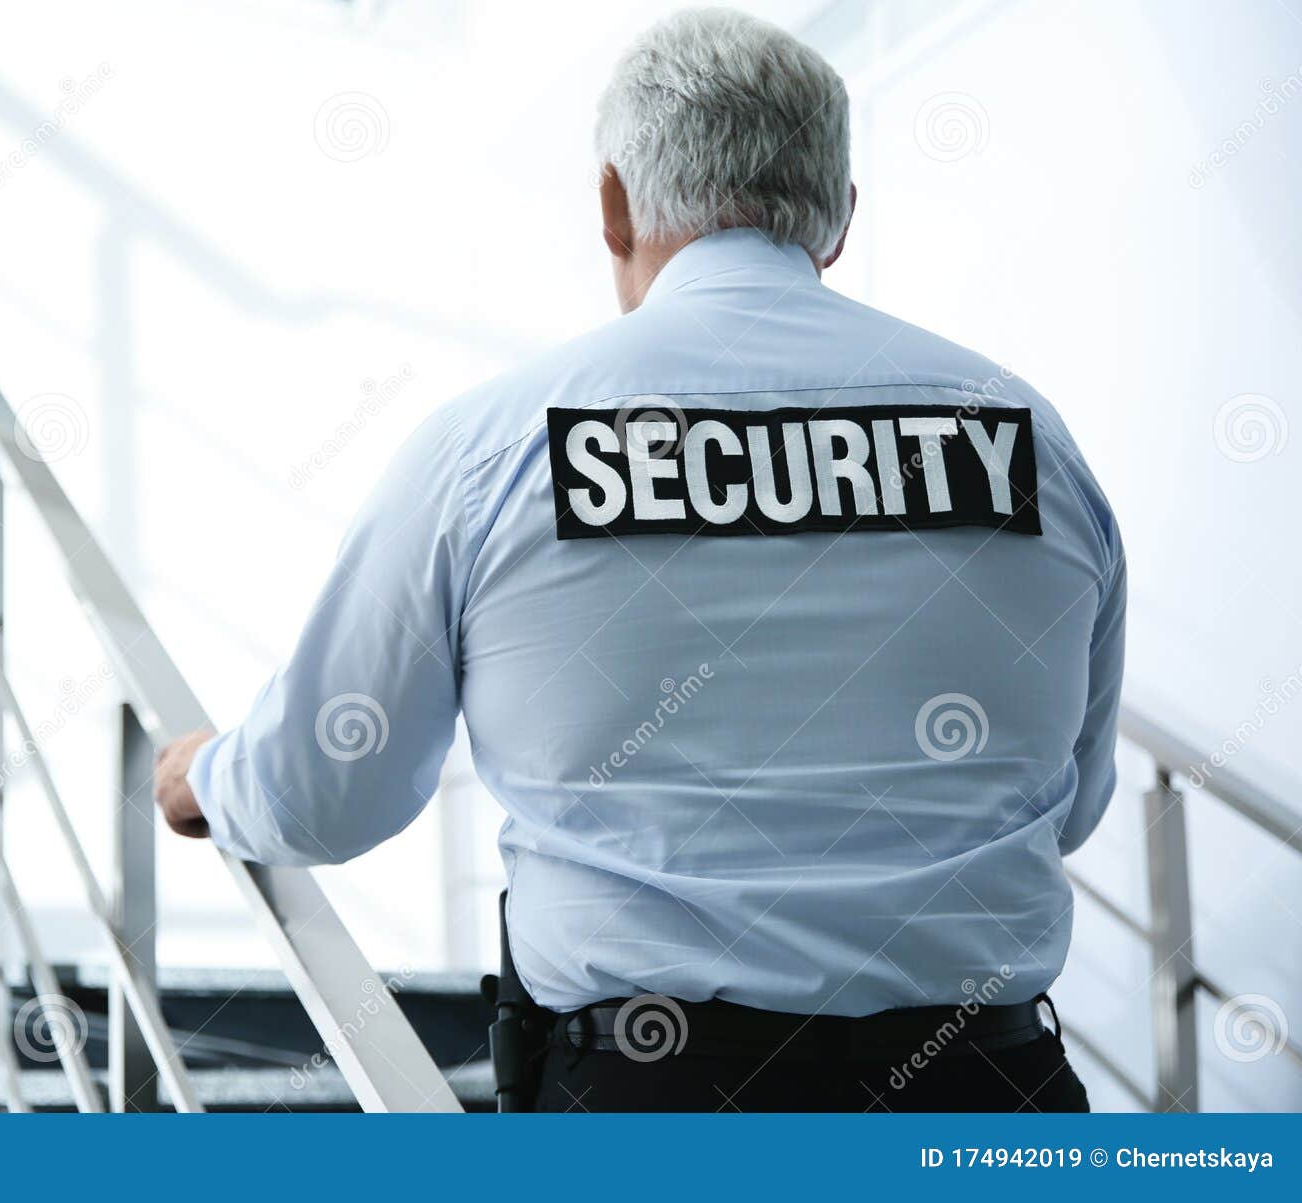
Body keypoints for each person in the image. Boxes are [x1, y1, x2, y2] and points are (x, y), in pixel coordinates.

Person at [154, 7, 1123, 1113]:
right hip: (990, 1096)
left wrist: (208, 779)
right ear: (841, 218)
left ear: (611, 203)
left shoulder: (498, 444)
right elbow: (1069, 800)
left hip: (651, 1099)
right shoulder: (1026, 439)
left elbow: (327, 791)